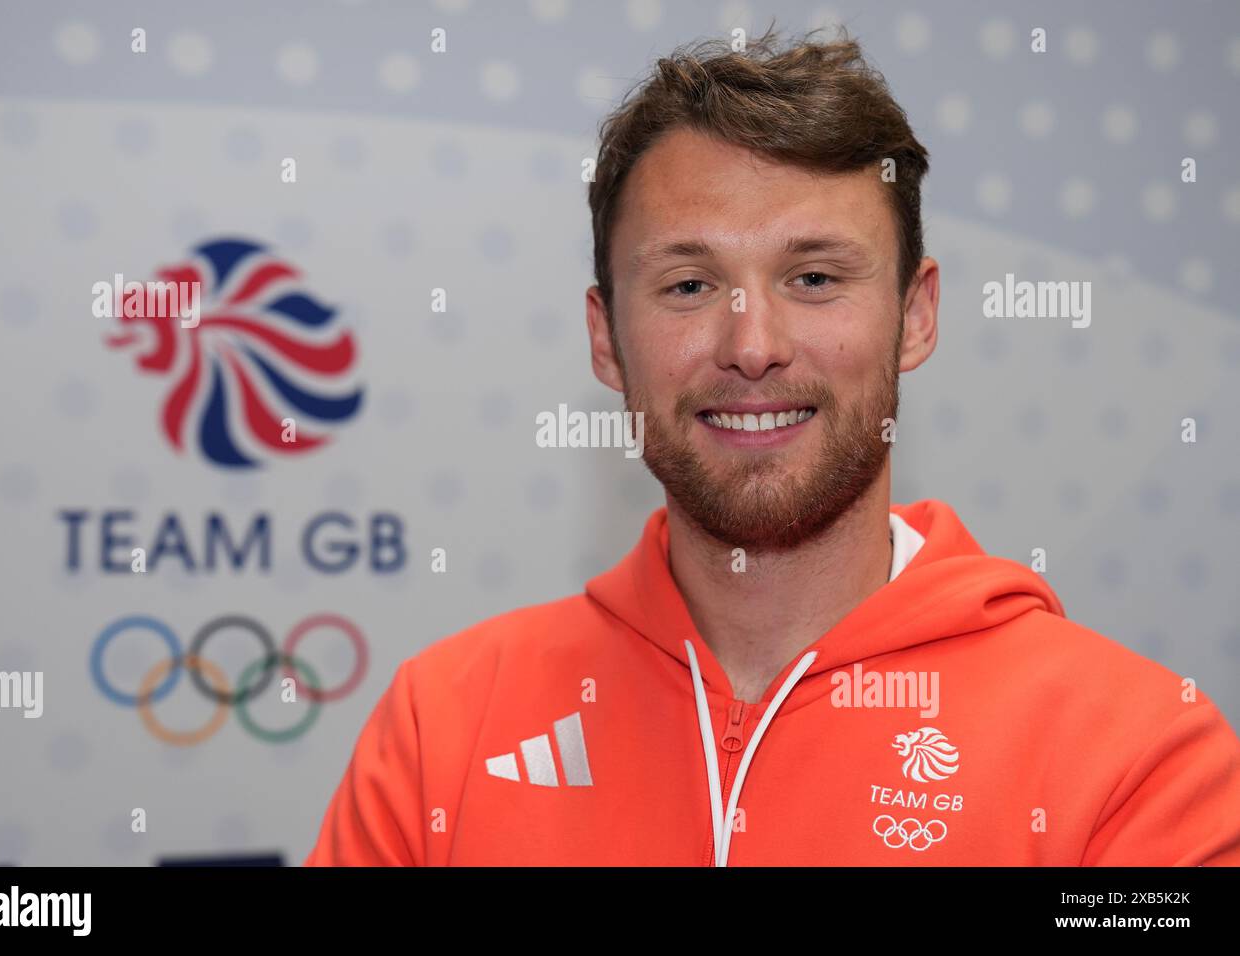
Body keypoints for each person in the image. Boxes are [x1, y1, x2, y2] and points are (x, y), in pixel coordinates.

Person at [305, 27, 1240, 866]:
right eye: (687, 286)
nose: (753, 346)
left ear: (915, 316)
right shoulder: (444, 729)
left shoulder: (1140, 758)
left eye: (815, 276)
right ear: (605, 341)